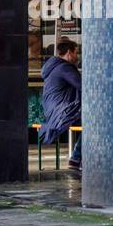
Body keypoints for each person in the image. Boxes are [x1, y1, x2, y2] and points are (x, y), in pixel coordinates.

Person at [40, 39, 82, 171]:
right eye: (76, 53)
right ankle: (76, 158)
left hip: (53, 111)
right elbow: (84, 86)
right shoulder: (65, 68)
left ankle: (77, 158)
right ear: (69, 52)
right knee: (94, 124)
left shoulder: (53, 67)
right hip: (62, 111)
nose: (77, 56)